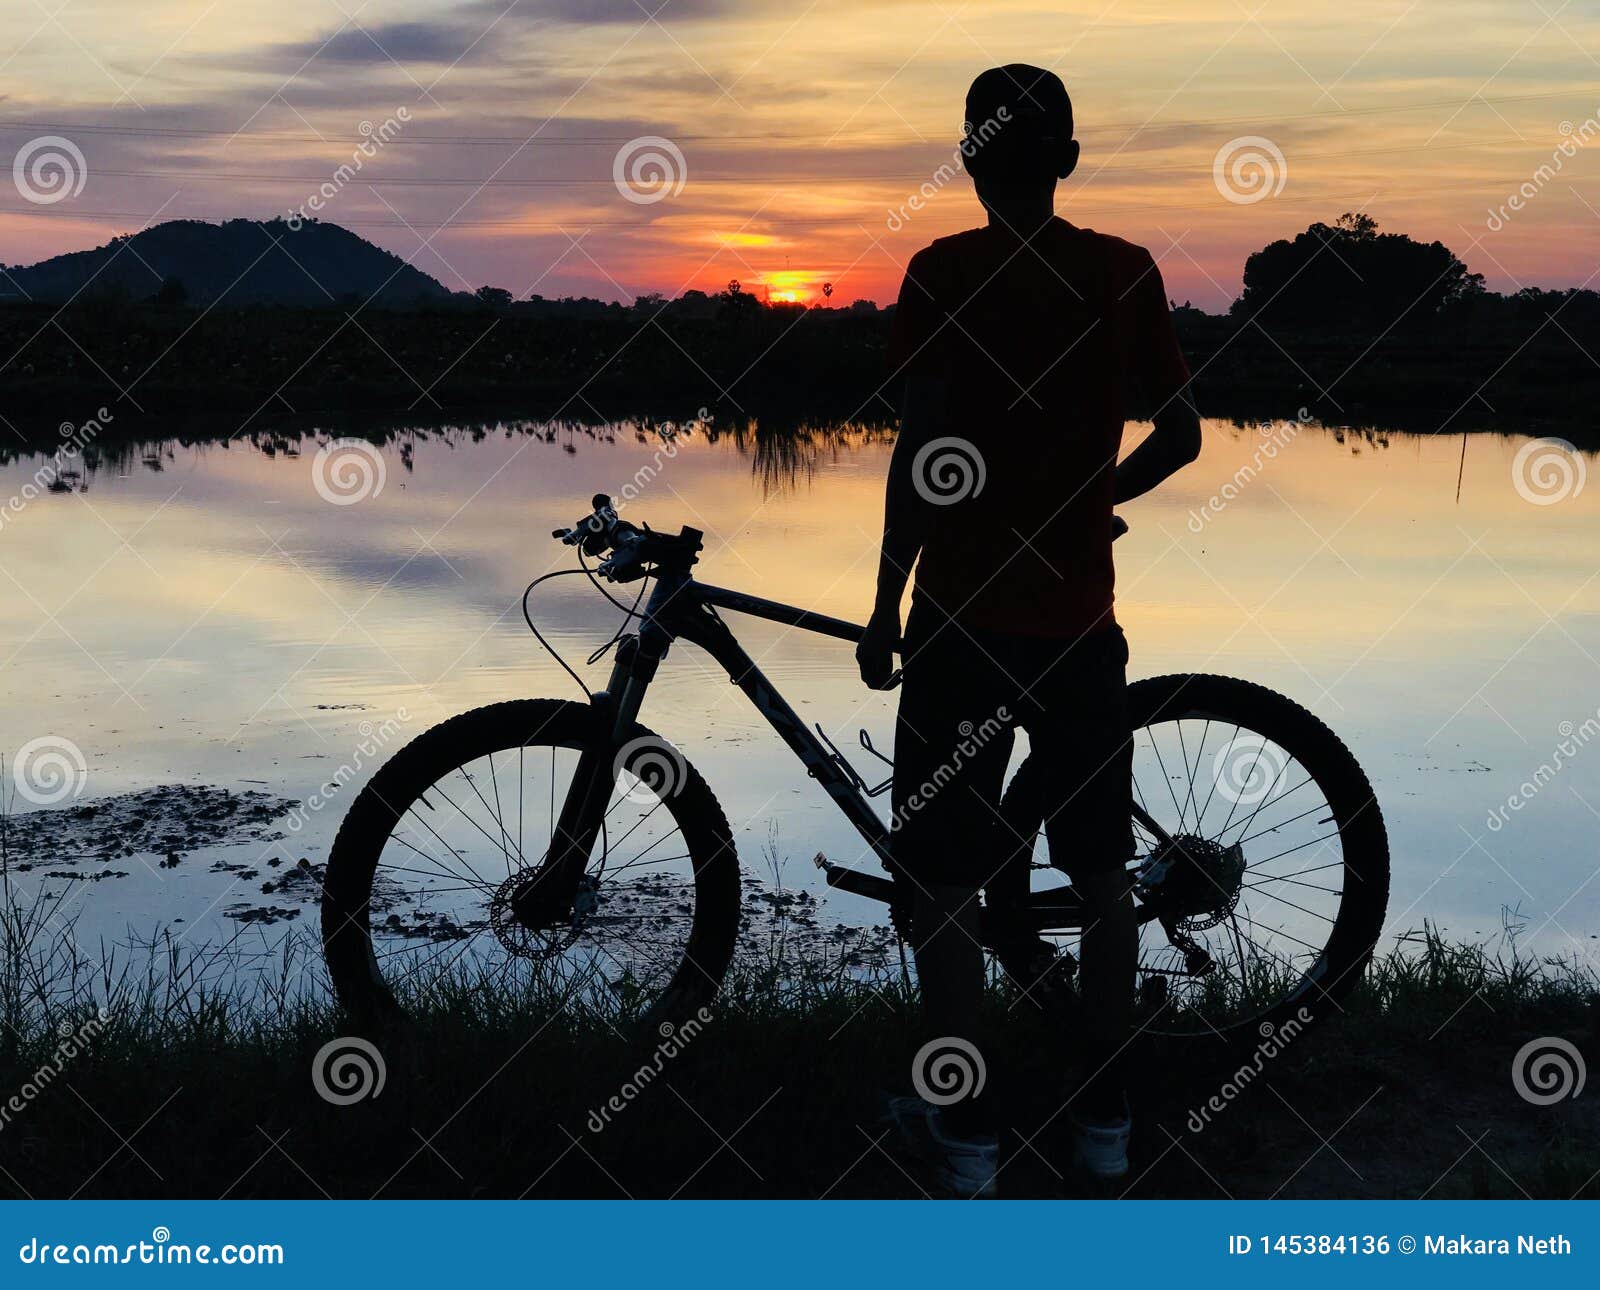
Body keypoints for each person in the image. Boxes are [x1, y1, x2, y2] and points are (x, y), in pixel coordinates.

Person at [858, 64, 1201, 1197]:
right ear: (1065, 161)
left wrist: (883, 604)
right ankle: (1104, 1125)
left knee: (944, 885)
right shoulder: (1120, 272)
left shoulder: (941, 274)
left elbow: (918, 462)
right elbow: (1183, 435)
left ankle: (965, 1140)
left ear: (966, 159)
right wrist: (1101, 501)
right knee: (1102, 878)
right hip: (1078, 624)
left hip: (961, 625)